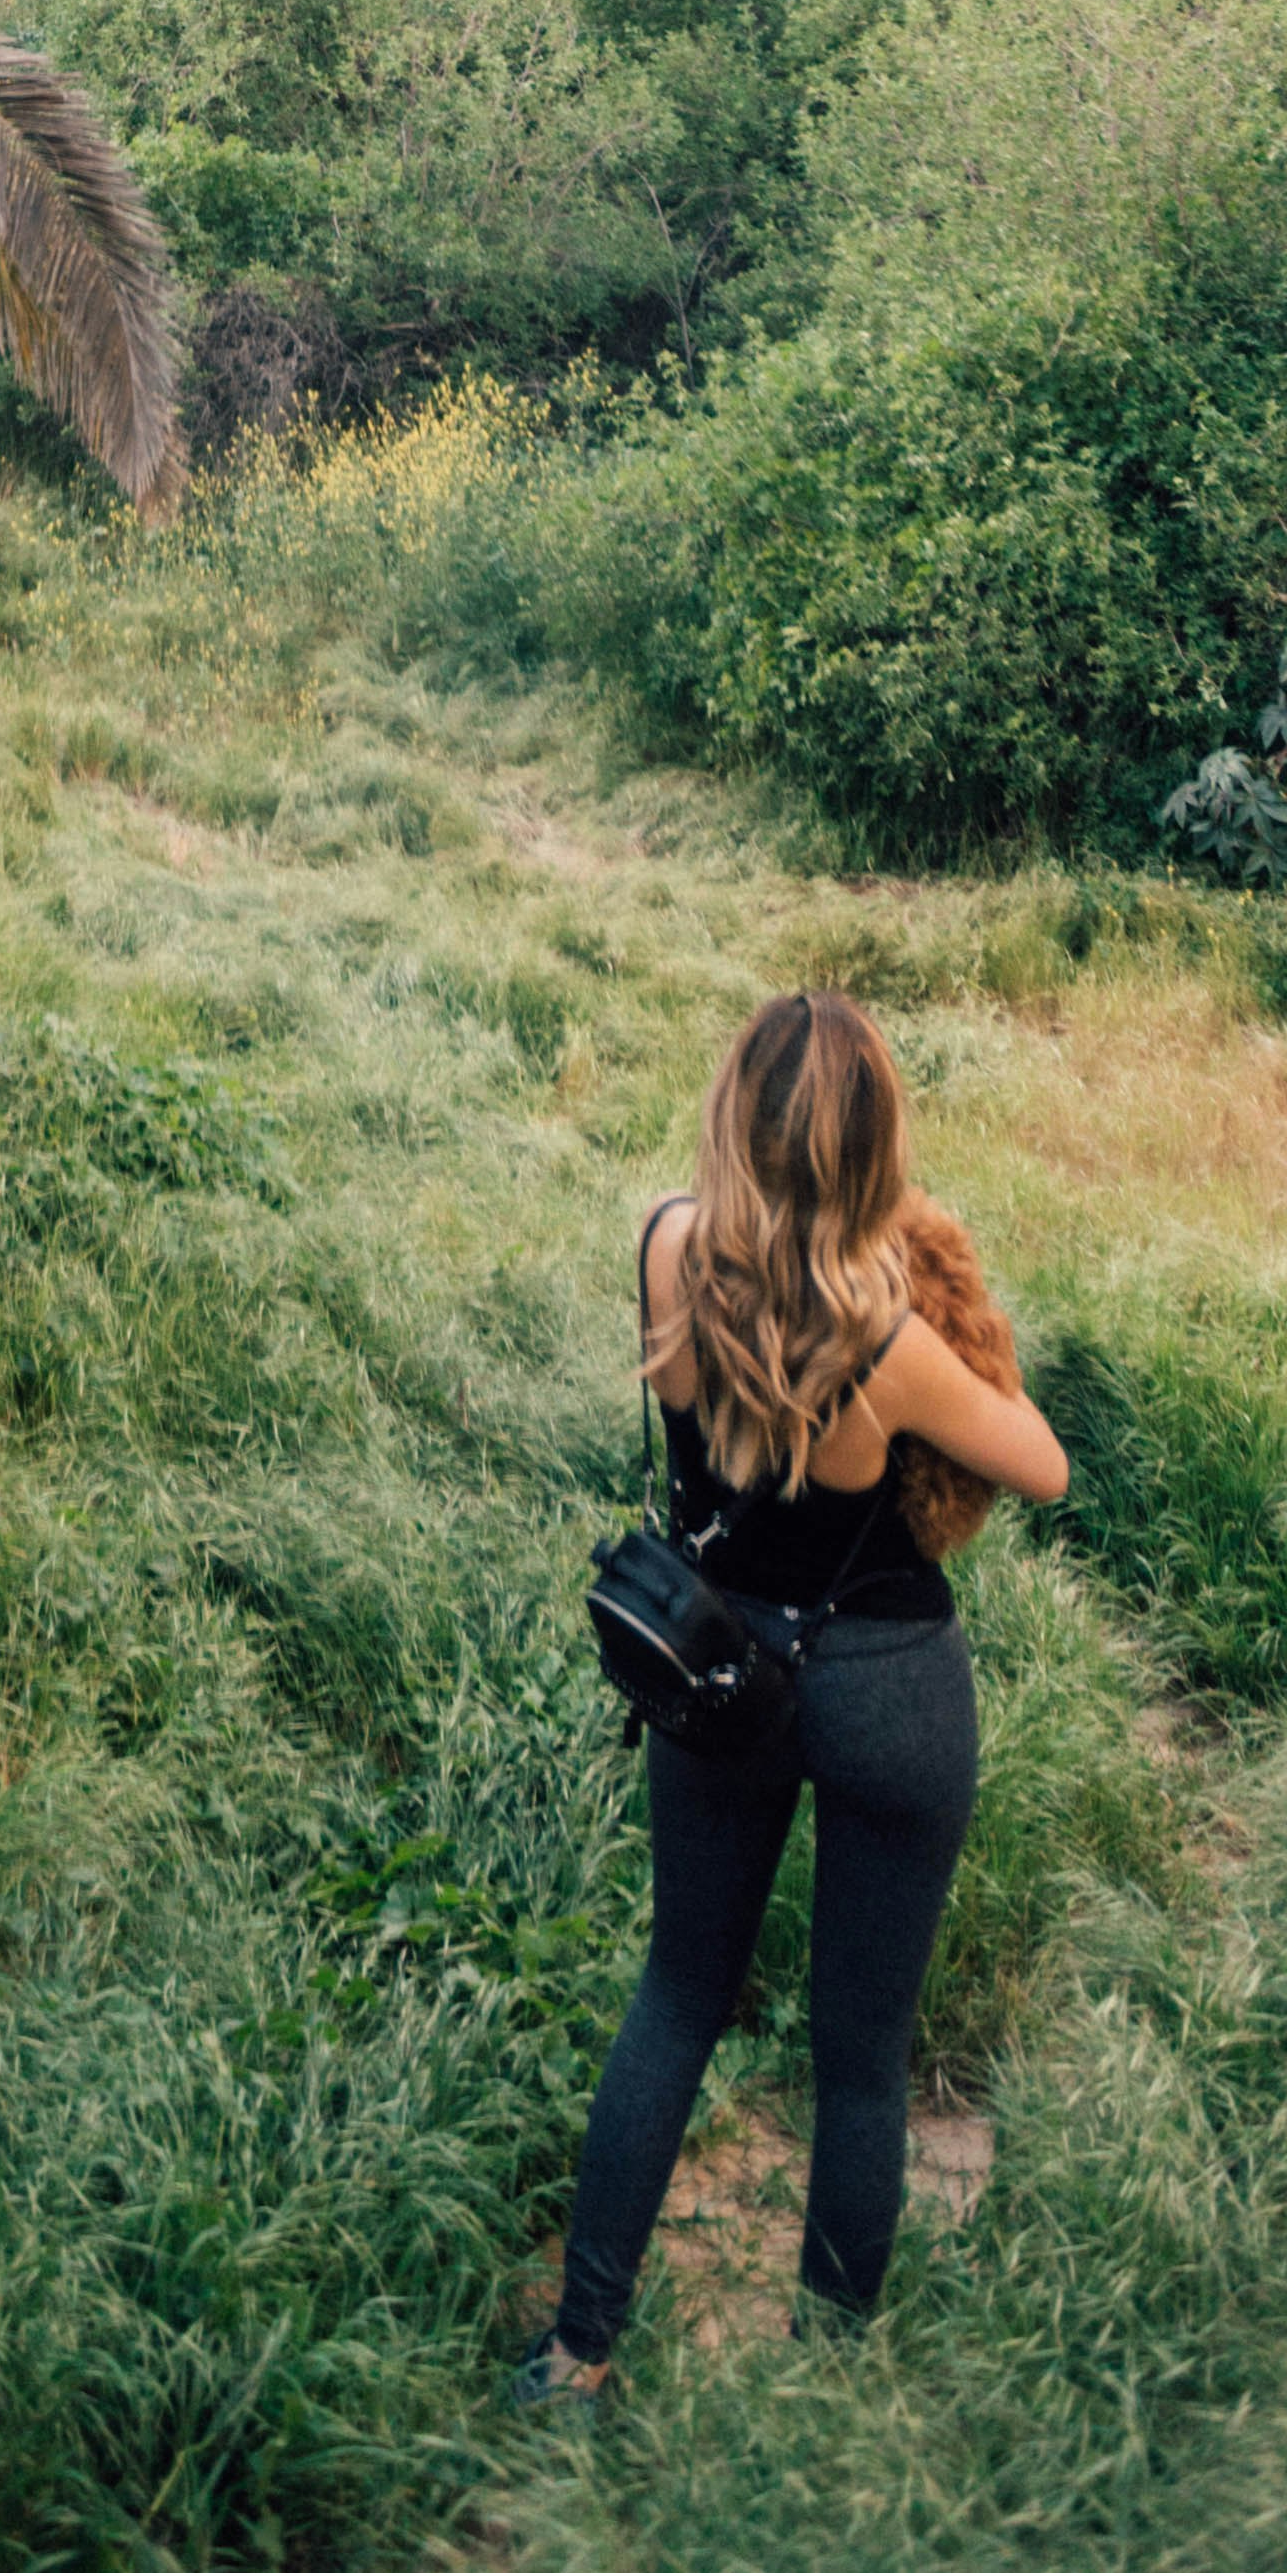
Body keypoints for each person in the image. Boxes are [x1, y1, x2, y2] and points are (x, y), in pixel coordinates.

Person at [525, 987, 1070, 2402]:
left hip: (717, 1672)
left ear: (728, 1119)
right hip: (888, 1690)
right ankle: (826, 2384)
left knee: (677, 1996)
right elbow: (1043, 1464)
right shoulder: (889, 1347)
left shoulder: (663, 1250)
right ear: (876, 1151)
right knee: (863, 2060)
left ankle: (579, 2349)